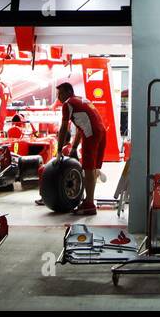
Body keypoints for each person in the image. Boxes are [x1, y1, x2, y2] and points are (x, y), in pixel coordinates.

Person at [55, 81, 107, 217]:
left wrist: (59, 150)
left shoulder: (68, 104)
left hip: (92, 133)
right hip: (101, 131)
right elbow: (80, 128)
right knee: (93, 168)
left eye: (60, 94)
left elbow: (63, 128)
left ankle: (89, 204)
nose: (58, 97)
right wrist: (74, 147)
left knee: (88, 169)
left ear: (68, 92)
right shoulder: (82, 100)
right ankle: (89, 200)